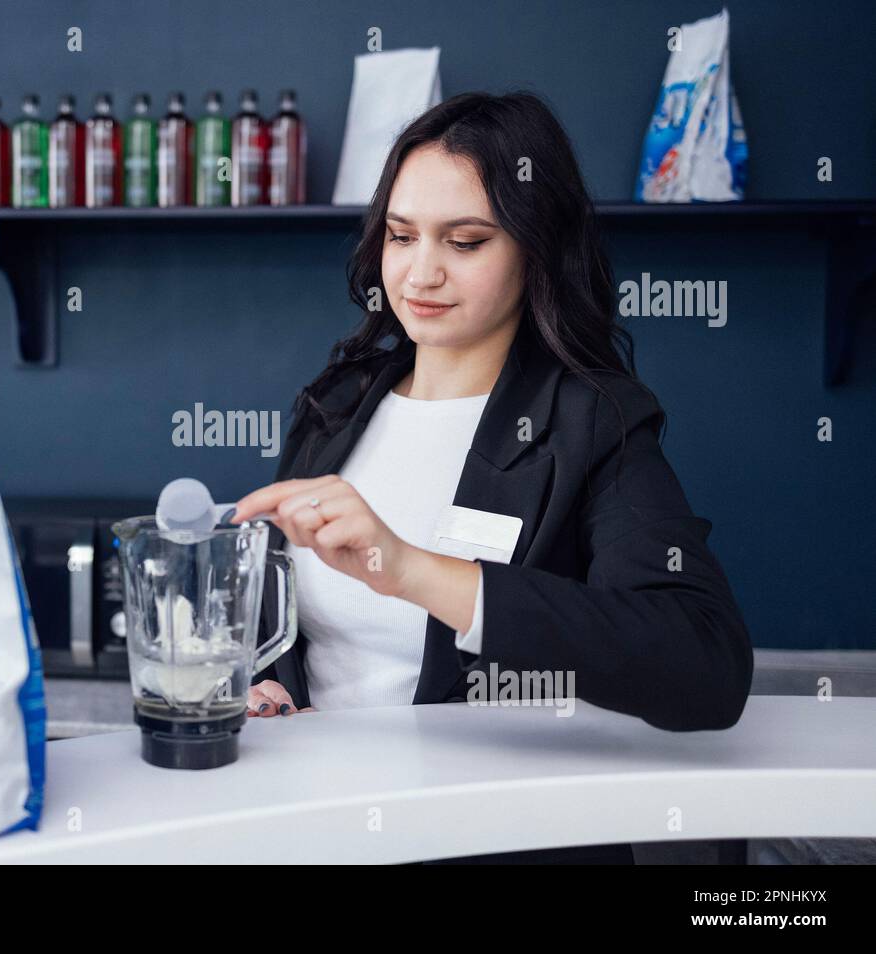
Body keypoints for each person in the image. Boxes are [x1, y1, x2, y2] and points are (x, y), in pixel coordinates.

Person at [227, 91, 754, 865]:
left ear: (536, 249)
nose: (421, 271)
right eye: (401, 236)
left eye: (466, 242)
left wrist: (415, 570)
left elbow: (704, 665)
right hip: (331, 834)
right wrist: (270, 689)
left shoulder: (594, 422)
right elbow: (309, 639)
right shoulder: (335, 405)